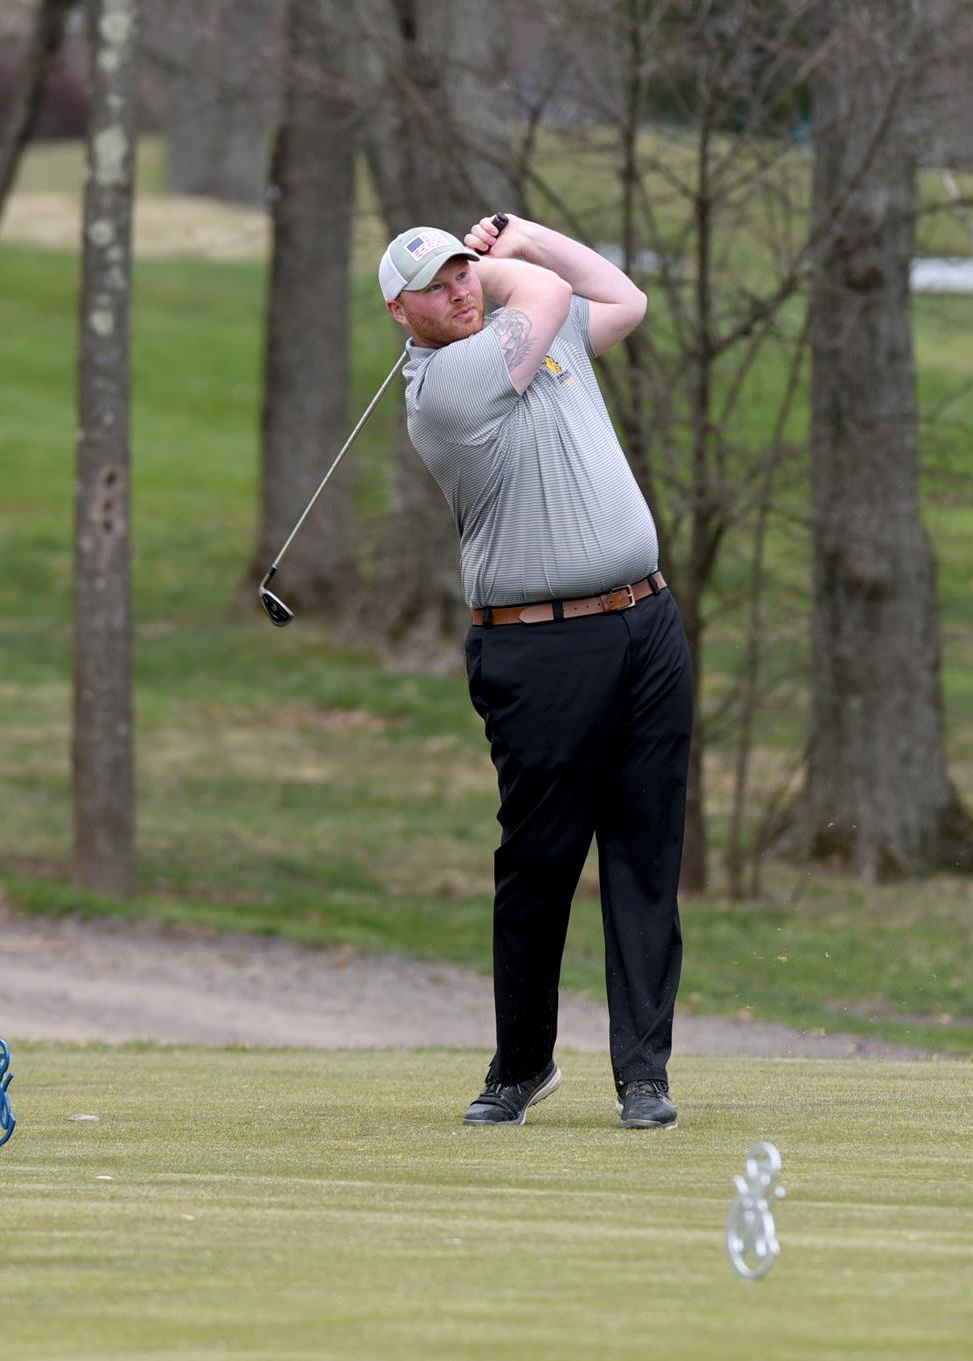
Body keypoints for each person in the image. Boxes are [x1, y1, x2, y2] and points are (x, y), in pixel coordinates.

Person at [377, 214, 691, 1131]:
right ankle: (521, 1066)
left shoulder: (541, 339)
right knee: (541, 862)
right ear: (404, 313)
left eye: (463, 272)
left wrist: (528, 234)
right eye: (437, 285)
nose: (460, 289)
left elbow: (623, 298)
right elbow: (547, 295)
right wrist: (515, 263)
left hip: (646, 624)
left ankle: (644, 1076)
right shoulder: (445, 386)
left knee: (644, 856)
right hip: (540, 648)